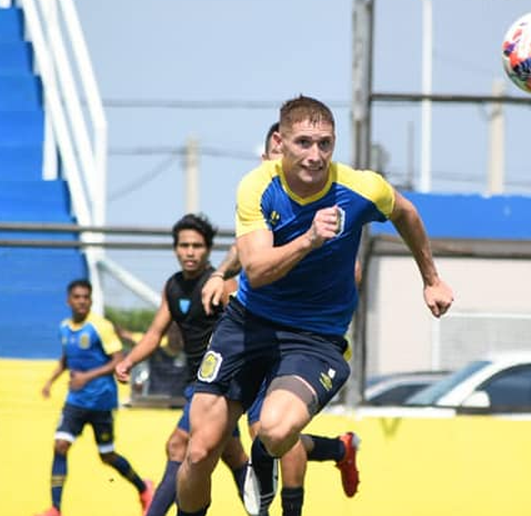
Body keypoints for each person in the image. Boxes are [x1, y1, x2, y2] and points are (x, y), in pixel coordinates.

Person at [176, 95, 454, 516]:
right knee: (198, 451)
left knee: (274, 429)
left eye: (325, 143)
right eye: (303, 142)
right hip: (249, 323)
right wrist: (309, 239)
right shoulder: (257, 186)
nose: (315, 154)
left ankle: (265, 458)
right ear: (280, 142)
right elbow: (256, 268)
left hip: (315, 338)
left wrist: (431, 279)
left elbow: (407, 213)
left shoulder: (361, 188)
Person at [200, 122, 362, 516]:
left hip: (309, 341)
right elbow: (249, 254)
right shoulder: (259, 196)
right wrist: (222, 275)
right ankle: (339, 447)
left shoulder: (323, 202)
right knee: (240, 438)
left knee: (271, 435)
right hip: (255, 335)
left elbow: (350, 269)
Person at [114, 213, 251, 516]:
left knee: (178, 445)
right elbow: (154, 334)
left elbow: (245, 332)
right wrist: (129, 360)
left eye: (197, 246)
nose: (190, 252)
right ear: (176, 248)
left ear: (208, 250)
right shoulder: (173, 287)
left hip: (219, 386)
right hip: (195, 384)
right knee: (233, 455)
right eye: (184, 245)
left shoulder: (222, 285)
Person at [36, 279, 154, 516]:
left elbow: (118, 359)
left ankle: (144, 488)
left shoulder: (101, 326)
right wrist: (51, 381)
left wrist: (87, 377)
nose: (82, 301)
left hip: (101, 401)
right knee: (60, 445)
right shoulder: (64, 328)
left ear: (90, 300)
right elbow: (67, 359)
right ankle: (55, 509)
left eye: (86, 297)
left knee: (107, 455)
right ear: (69, 300)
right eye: (77, 297)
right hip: (75, 401)